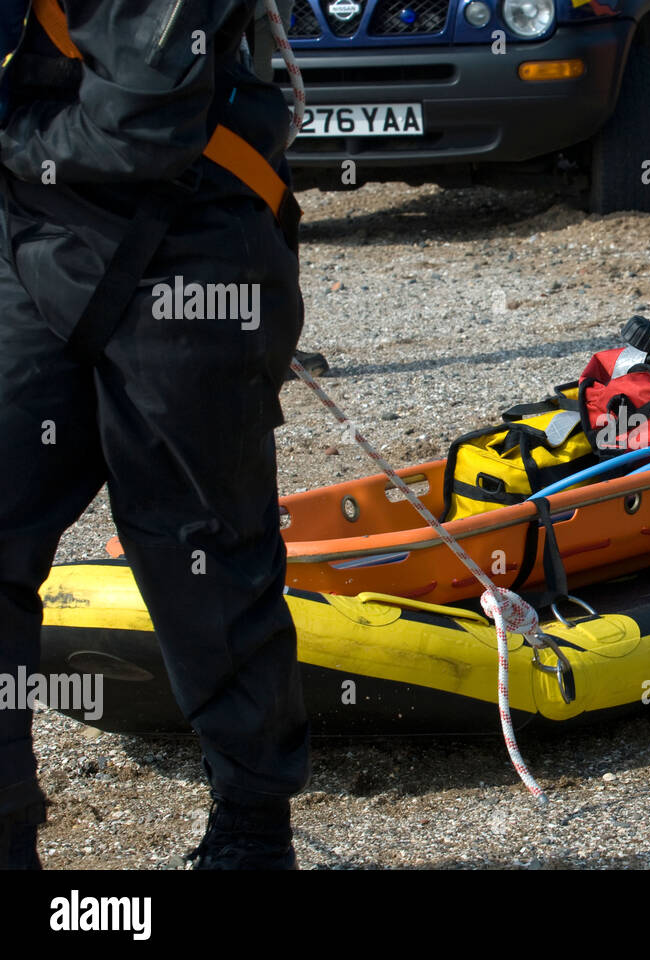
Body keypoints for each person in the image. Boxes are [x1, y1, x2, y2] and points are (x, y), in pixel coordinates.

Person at [0, 0, 310, 868]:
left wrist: (14, 136)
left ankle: (251, 833)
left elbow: (142, 120)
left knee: (203, 556)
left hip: (191, 245)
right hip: (33, 237)